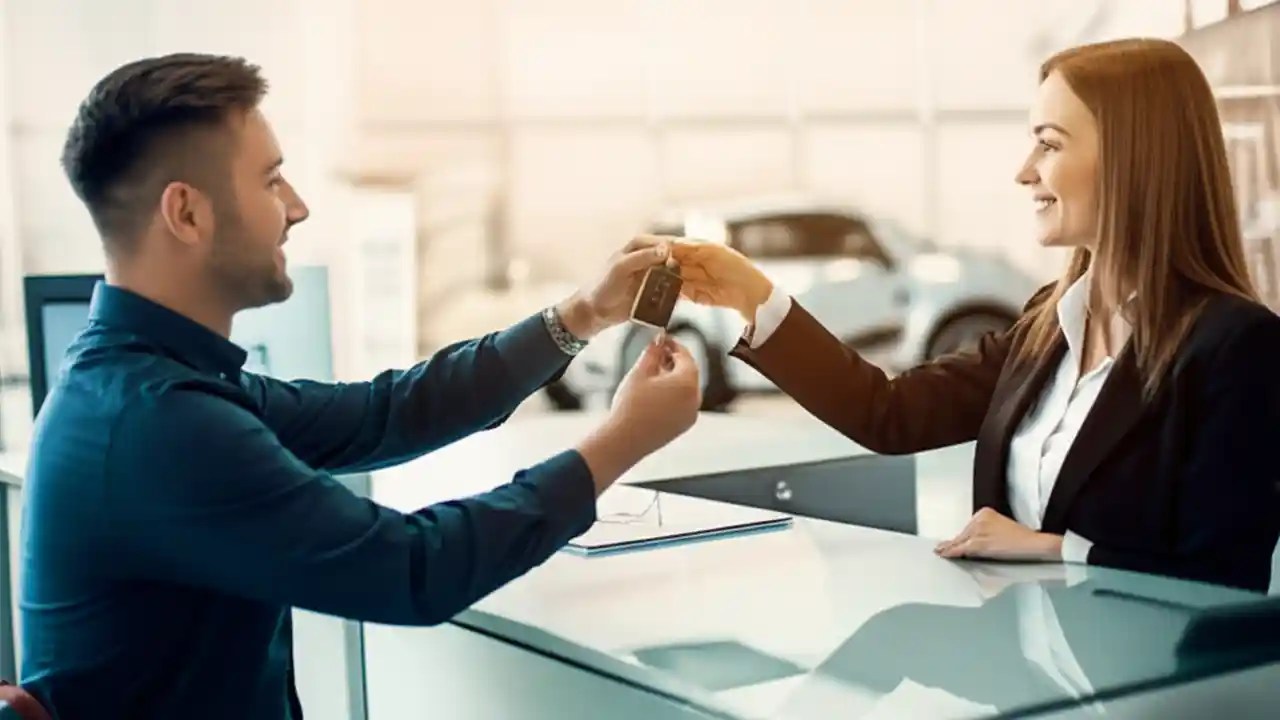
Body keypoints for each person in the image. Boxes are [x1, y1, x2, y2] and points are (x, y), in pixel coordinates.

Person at [19, 54, 701, 719]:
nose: (298, 207)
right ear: (187, 214)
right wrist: (624, 440)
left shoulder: (150, 381)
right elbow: (413, 570)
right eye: (271, 180)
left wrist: (583, 314)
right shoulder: (159, 425)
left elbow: (387, 412)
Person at [671, 38, 1280, 593]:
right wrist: (753, 295)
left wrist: (1058, 550)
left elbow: (1224, 574)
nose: (1025, 171)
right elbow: (890, 414)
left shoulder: (1237, 347)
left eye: (1049, 142)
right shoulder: (1051, 323)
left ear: (1132, 158)